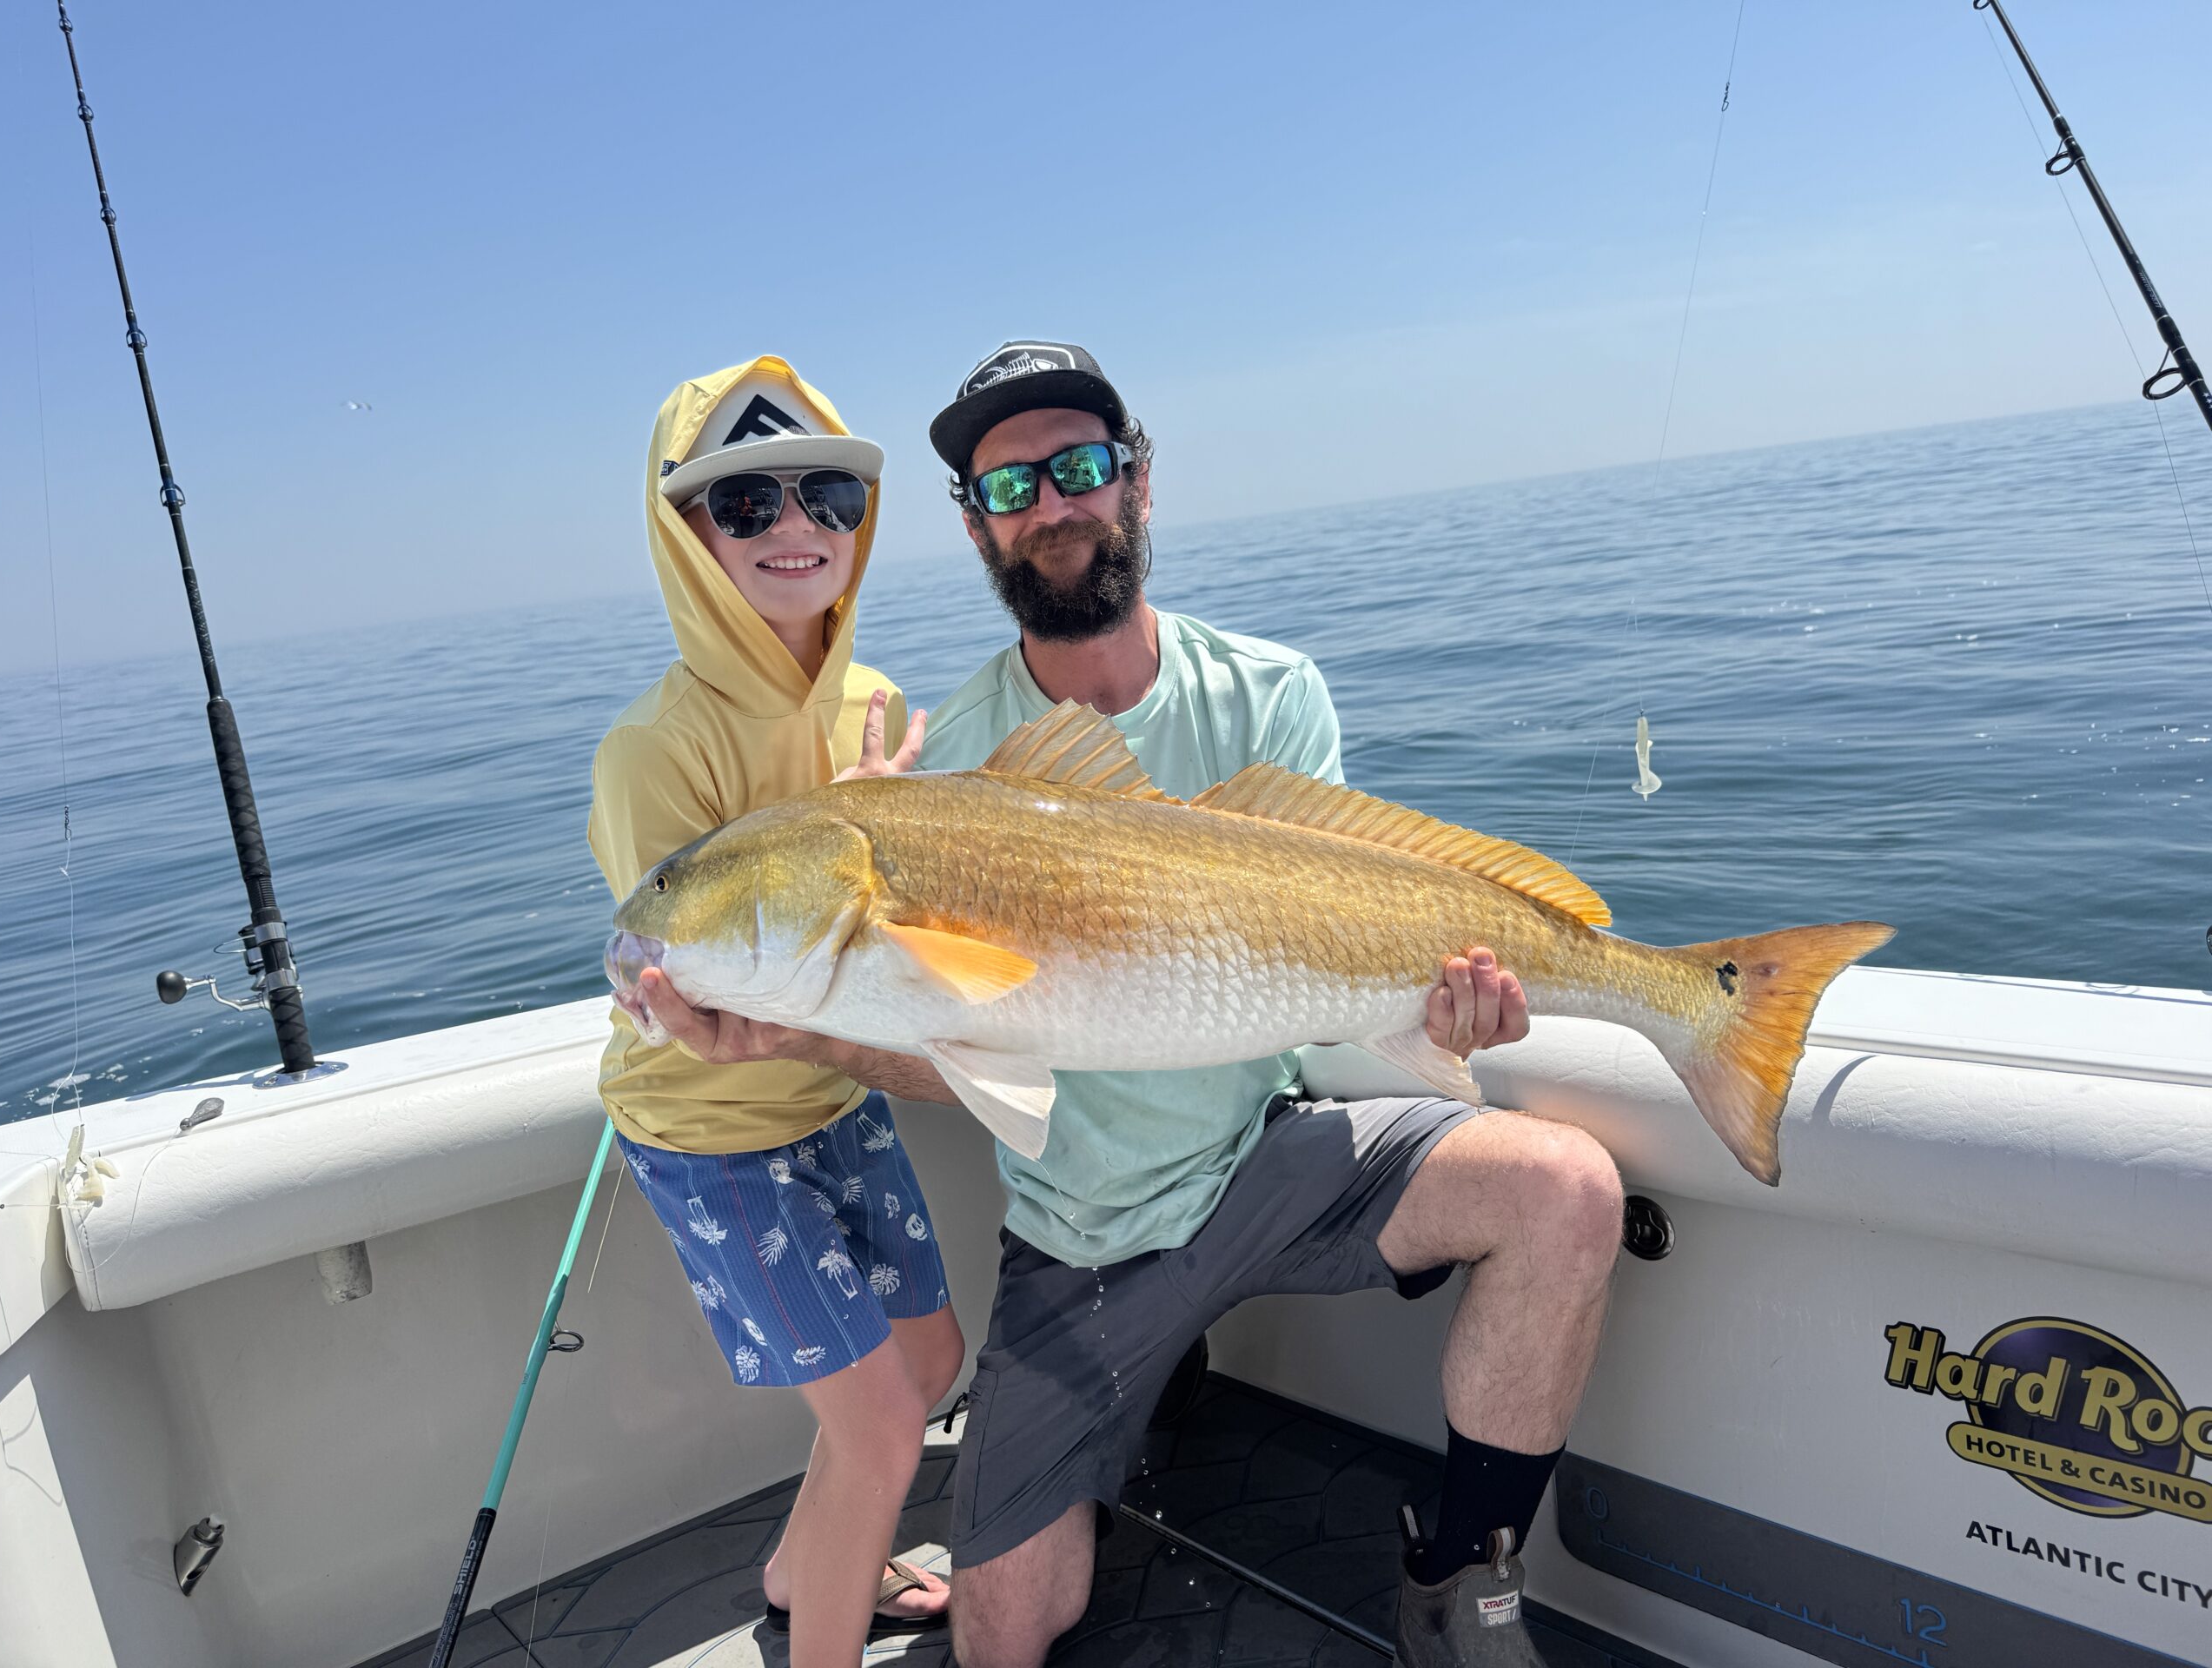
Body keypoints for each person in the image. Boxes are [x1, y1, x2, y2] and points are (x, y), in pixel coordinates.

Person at [645, 342, 1625, 1668]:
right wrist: (797, 1029)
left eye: (1079, 468)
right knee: (1002, 1635)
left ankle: (1462, 1590)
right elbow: (973, 1058)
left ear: (1137, 482)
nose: (1050, 506)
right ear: (977, 526)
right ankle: (1146, 1389)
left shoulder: (1270, 693)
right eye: (1008, 490)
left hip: (1266, 1156)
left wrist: (1441, 1012)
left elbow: (1332, 952)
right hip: (1083, 1236)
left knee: (1567, 1188)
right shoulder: (956, 766)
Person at [587, 355, 961, 1668]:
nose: (795, 526)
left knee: (931, 1363)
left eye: (824, 496)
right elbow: (665, 991)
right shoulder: (656, 748)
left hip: (833, 1097)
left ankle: (805, 1575)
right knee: (877, 1430)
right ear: (687, 540)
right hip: (709, 1136)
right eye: (744, 506)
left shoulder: (879, 708)